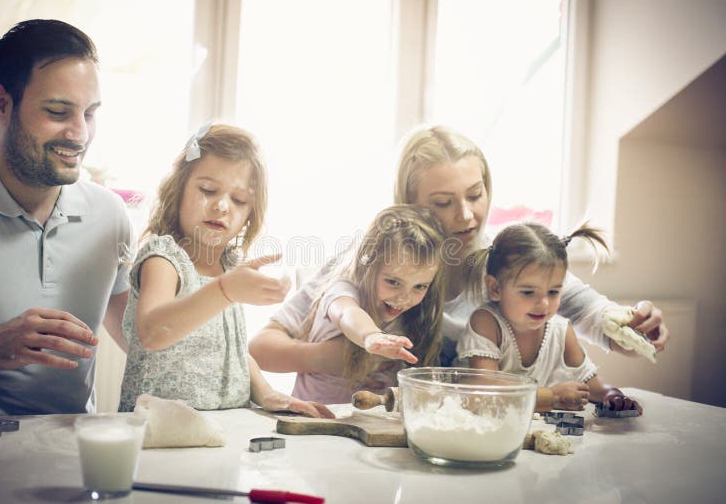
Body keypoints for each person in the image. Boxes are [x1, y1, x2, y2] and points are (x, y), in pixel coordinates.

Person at [250, 125, 668, 391]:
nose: (466, 215)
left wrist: (634, 325)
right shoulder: (367, 257)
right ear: (409, 204)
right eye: (443, 202)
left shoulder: (506, 259)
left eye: (475, 194)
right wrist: (333, 358)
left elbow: (592, 313)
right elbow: (263, 347)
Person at [0, 19, 132, 416]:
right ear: (2, 105)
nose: (79, 134)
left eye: (89, 113)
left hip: (74, 465)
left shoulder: (111, 216)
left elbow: (144, 340)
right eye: (58, 111)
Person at [117, 123, 332, 418]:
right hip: (157, 431)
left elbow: (231, 352)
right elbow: (153, 332)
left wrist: (267, 393)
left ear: (249, 214)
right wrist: (225, 291)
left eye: (239, 200)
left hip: (225, 426)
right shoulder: (164, 259)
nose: (221, 206)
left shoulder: (231, 267)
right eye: (208, 190)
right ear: (178, 190)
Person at [459, 222, 642, 412]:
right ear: (495, 288)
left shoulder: (561, 331)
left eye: (553, 291)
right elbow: (486, 390)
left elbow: (590, 383)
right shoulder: (486, 324)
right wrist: (551, 396)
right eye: (528, 292)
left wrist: (612, 395)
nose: (544, 303)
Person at [285, 205, 446, 404]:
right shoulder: (343, 290)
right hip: (314, 420)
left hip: (368, 424)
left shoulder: (410, 314)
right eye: (393, 282)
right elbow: (346, 314)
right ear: (367, 266)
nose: (404, 298)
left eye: (419, 286)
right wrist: (371, 335)